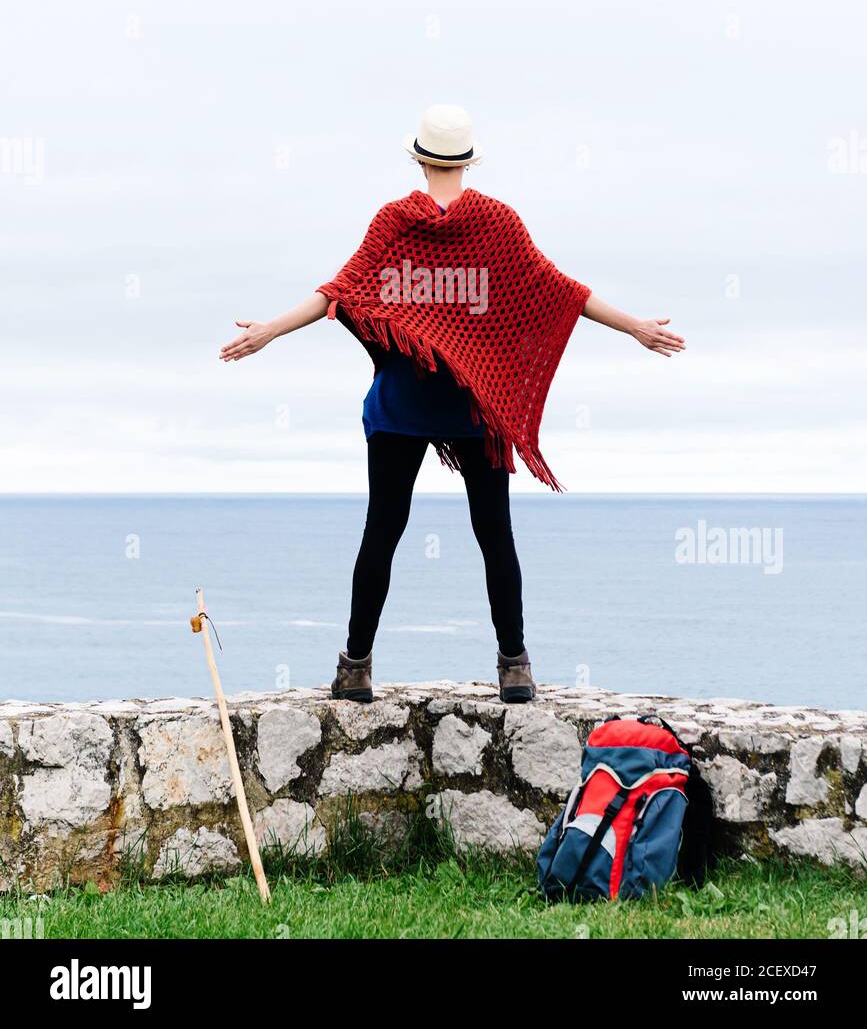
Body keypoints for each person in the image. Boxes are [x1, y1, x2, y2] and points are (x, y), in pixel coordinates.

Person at [219, 105, 685, 703]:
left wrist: (268, 332)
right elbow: (563, 291)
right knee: (495, 534)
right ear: (468, 160)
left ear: (418, 157)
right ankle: (514, 667)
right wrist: (636, 327)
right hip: (474, 410)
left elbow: (334, 293)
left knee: (382, 532)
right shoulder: (497, 222)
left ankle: (355, 667)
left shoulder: (394, 221)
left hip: (399, 409)